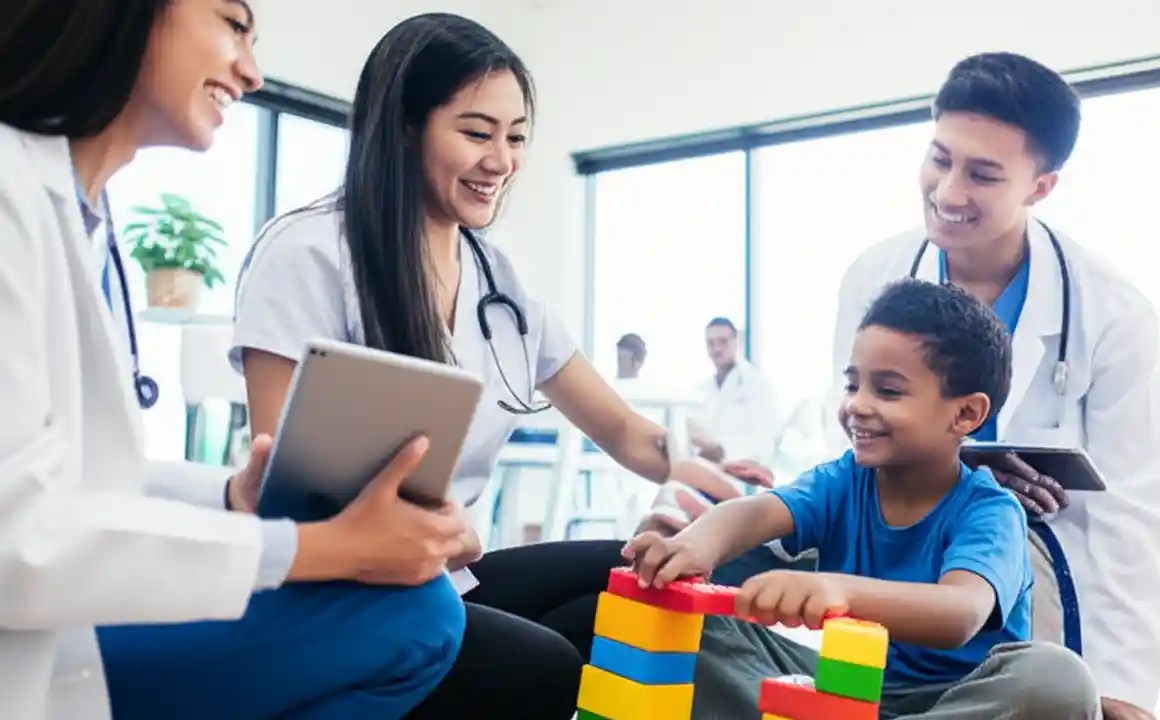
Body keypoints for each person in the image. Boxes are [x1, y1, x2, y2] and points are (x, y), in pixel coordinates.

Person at [230, 13, 758, 719]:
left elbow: (627, 432)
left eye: (516, 138)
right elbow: (282, 483)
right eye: (477, 133)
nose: (502, 161)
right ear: (405, 126)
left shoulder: (497, 280)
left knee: (641, 580)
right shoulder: (309, 253)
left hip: (440, 578)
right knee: (542, 664)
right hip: (333, 587)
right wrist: (442, 528)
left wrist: (717, 485)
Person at [0, 2, 473, 719]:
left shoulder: (86, 220)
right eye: (232, 23)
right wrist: (318, 549)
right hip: (39, 632)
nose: (250, 71)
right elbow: (20, 541)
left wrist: (229, 499)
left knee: (434, 616)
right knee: (419, 623)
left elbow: (72, 476)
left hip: (62, 624)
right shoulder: (12, 198)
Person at [830, 52, 1160, 720]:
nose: (948, 191)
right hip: (900, 536)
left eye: (983, 174)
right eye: (940, 158)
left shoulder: (1113, 312)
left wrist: (1123, 687)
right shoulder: (873, 277)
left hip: (1037, 564)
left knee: (1035, 688)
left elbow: (1132, 510)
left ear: (1040, 186)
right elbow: (852, 421)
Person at [626, 279, 1101, 719]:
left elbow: (959, 612)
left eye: (888, 390)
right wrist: (694, 545)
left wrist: (841, 591)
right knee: (681, 617)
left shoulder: (990, 510)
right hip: (845, 692)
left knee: (1056, 679)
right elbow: (756, 512)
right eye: (854, 384)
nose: (857, 404)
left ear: (965, 414)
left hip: (957, 703)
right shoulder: (843, 481)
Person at [691, 317, 783, 463]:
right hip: (707, 470)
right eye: (710, 343)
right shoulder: (703, 390)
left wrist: (721, 450)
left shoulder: (756, 384)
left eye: (723, 342)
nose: (716, 349)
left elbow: (766, 437)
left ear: (736, 342)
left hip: (744, 472)